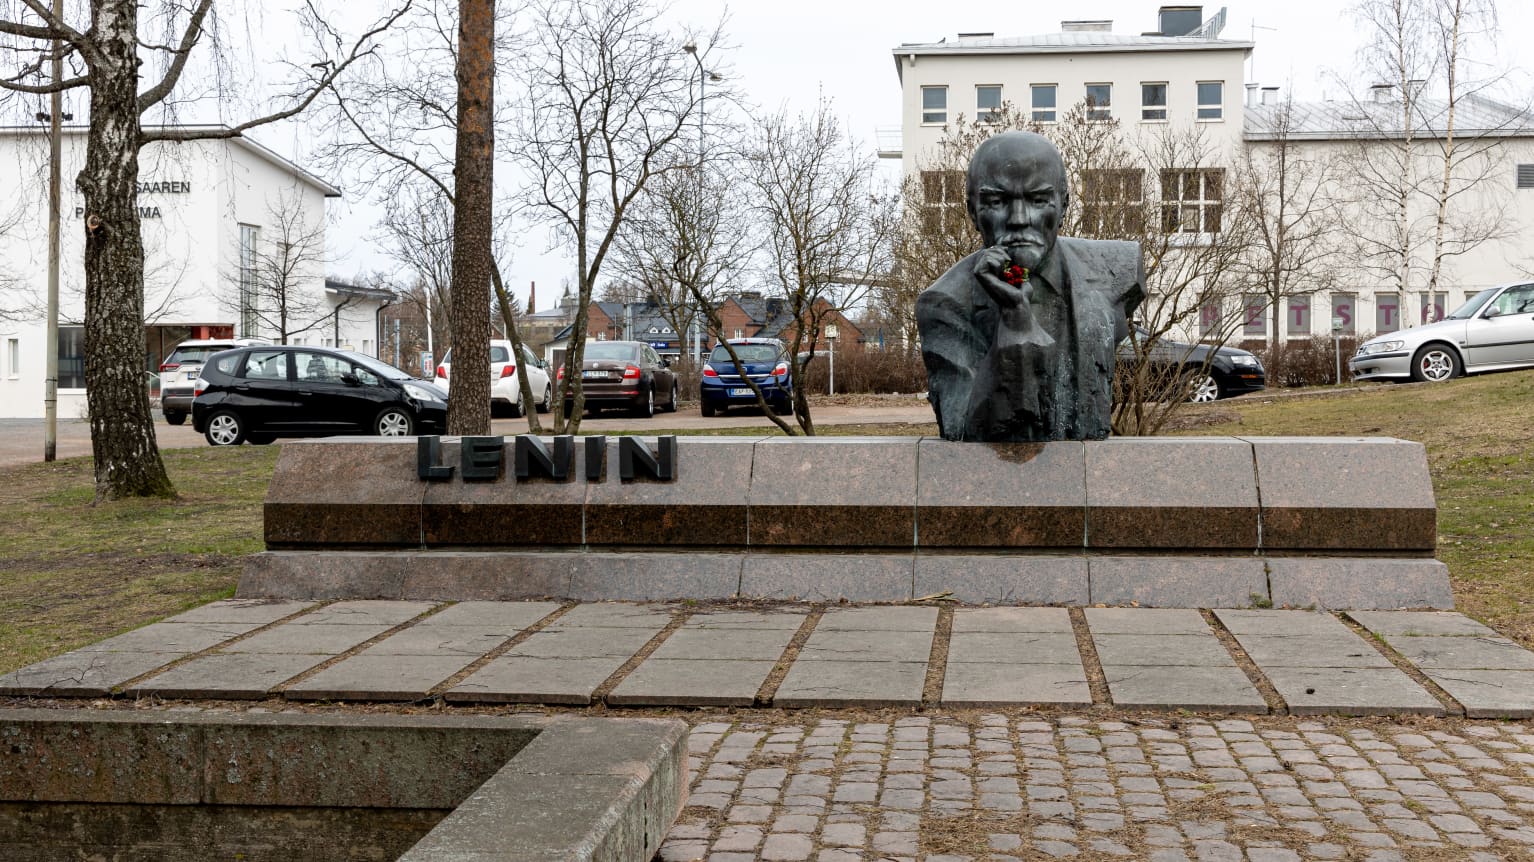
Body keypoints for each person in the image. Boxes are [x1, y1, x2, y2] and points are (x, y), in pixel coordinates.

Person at [916, 131, 1145, 442]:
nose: (1019, 219)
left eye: (1038, 200)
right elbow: (965, 428)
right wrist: (1016, 321)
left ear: (1063, 205)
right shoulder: (944, 304)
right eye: (997, 201)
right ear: (972, 211)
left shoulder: (1118, 269)